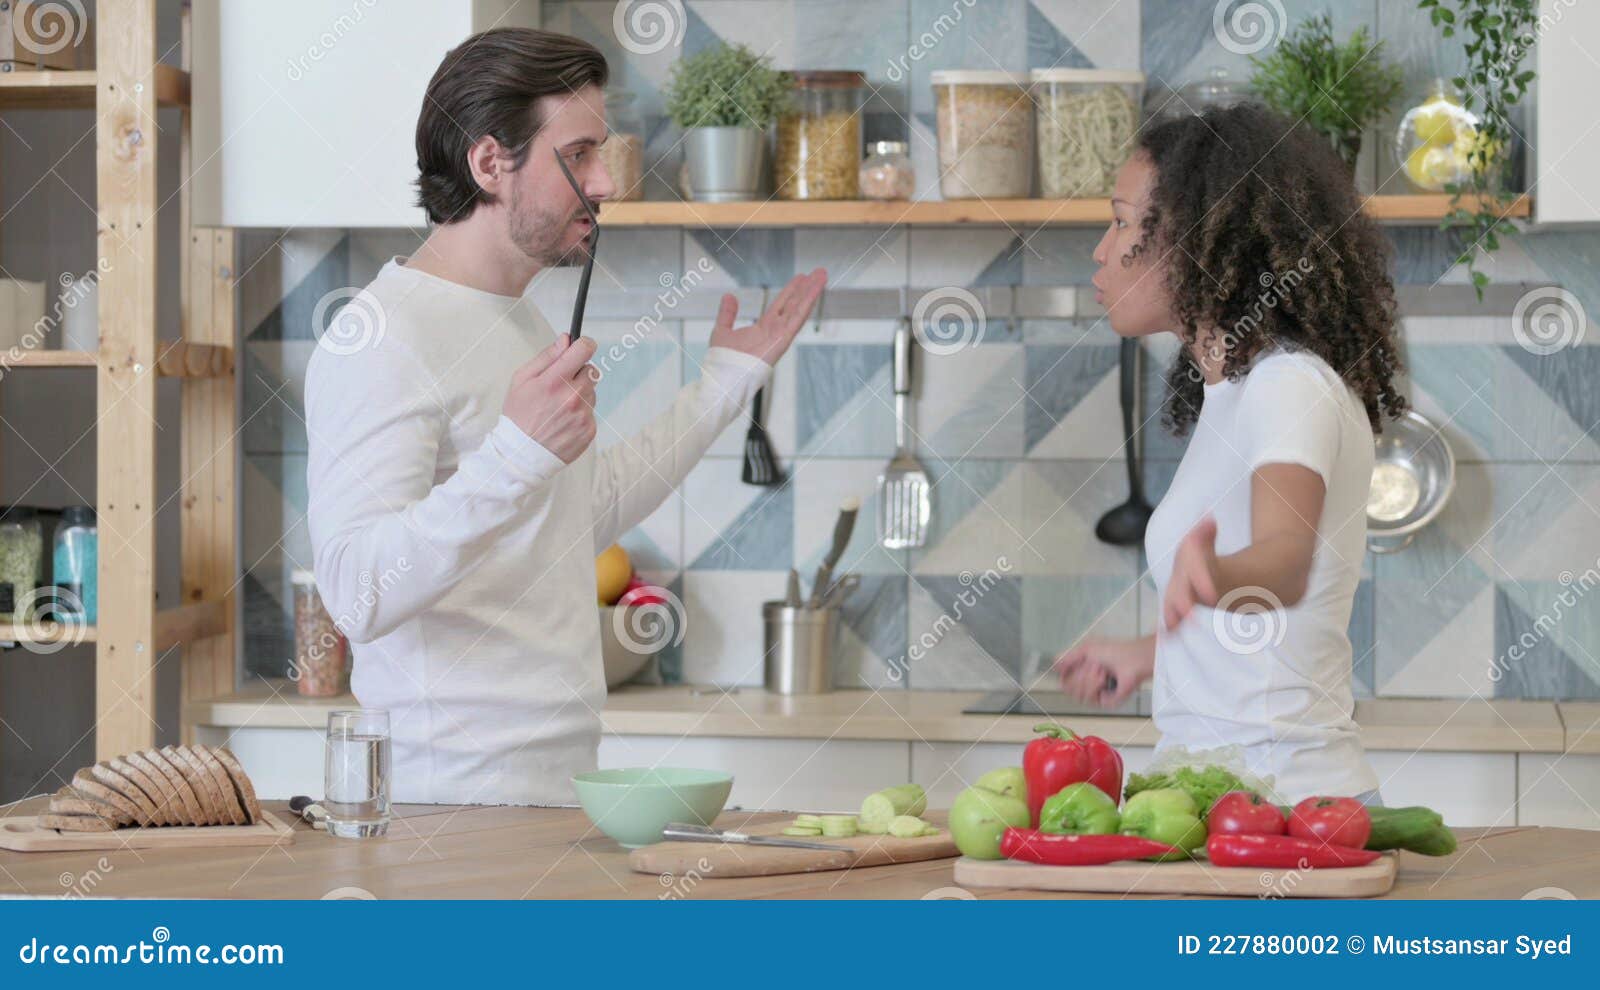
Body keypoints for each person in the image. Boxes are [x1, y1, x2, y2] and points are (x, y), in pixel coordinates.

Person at [304, 28, 826, 805]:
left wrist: (724, 383)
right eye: (579, 154)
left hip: (553, 780)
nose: (608, 181)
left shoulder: (518, 323)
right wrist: (516, 453)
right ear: (490, 163)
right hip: (444, 800)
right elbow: (356, 594)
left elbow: (572, 513)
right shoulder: (380, 338)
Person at [1055, 104, 1406, 806]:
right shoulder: (1237, 390)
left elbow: (1284, 559)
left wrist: (1210, 570)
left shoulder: (1287, 383)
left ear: (1193, 242)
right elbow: (1260, 628)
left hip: (1284, 804)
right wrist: (1151, 656)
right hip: (1217, 796)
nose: (1101, 249)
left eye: (1122, 223)